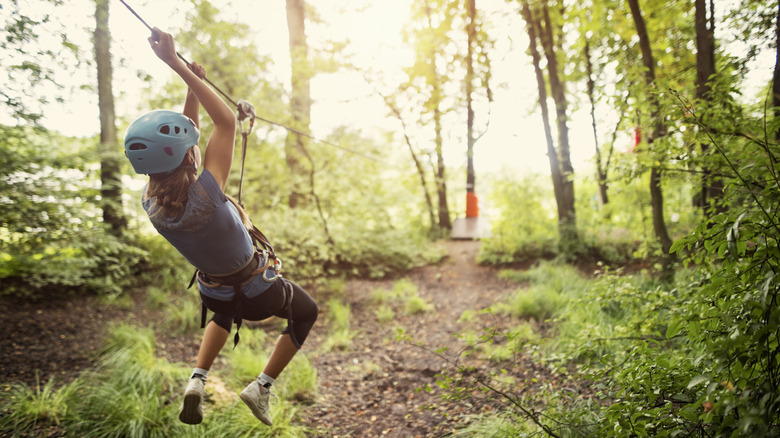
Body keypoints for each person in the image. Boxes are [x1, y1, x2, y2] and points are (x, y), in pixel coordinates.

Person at [123, 28, 318, 426]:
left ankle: (197, 379)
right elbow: (225, 122)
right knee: (306, 312)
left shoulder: (152, 203)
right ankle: (261, 388)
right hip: (258, 288)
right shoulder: (206, 195)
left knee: (223, 314)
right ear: (187, 158)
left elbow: (187, 146)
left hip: (214, 290)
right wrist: (175, 64)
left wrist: (192, 91)